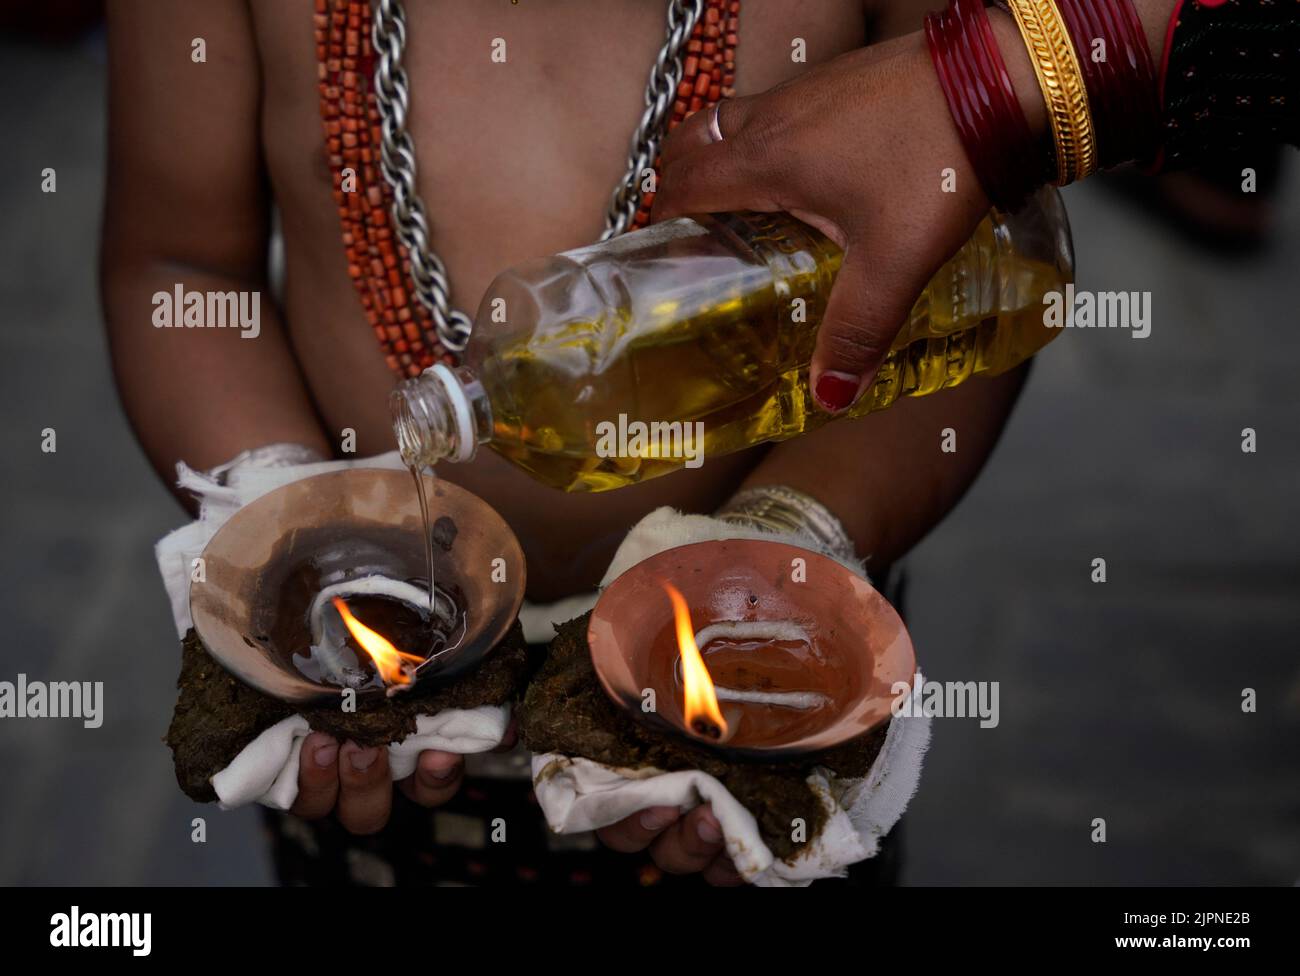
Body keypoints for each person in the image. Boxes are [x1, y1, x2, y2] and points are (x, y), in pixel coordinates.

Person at [104, 0, 1293, 885]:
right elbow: (178, 265)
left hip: (761, 672)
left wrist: (792, 541)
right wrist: (272, 501)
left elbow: (966, 299)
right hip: (363, 736)